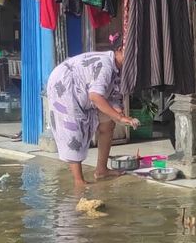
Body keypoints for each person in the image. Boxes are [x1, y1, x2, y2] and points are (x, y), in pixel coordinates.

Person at [45, 49, 138, 187]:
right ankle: (79, 181)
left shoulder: (120, 69)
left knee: (108, 124)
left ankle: (102, 170)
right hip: (65, 87)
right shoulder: (106, 64)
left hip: (86, 92)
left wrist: (119, 115)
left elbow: (112, 97)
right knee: (74, 131)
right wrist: (118, 116)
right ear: (119, 51)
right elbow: (95, 96)